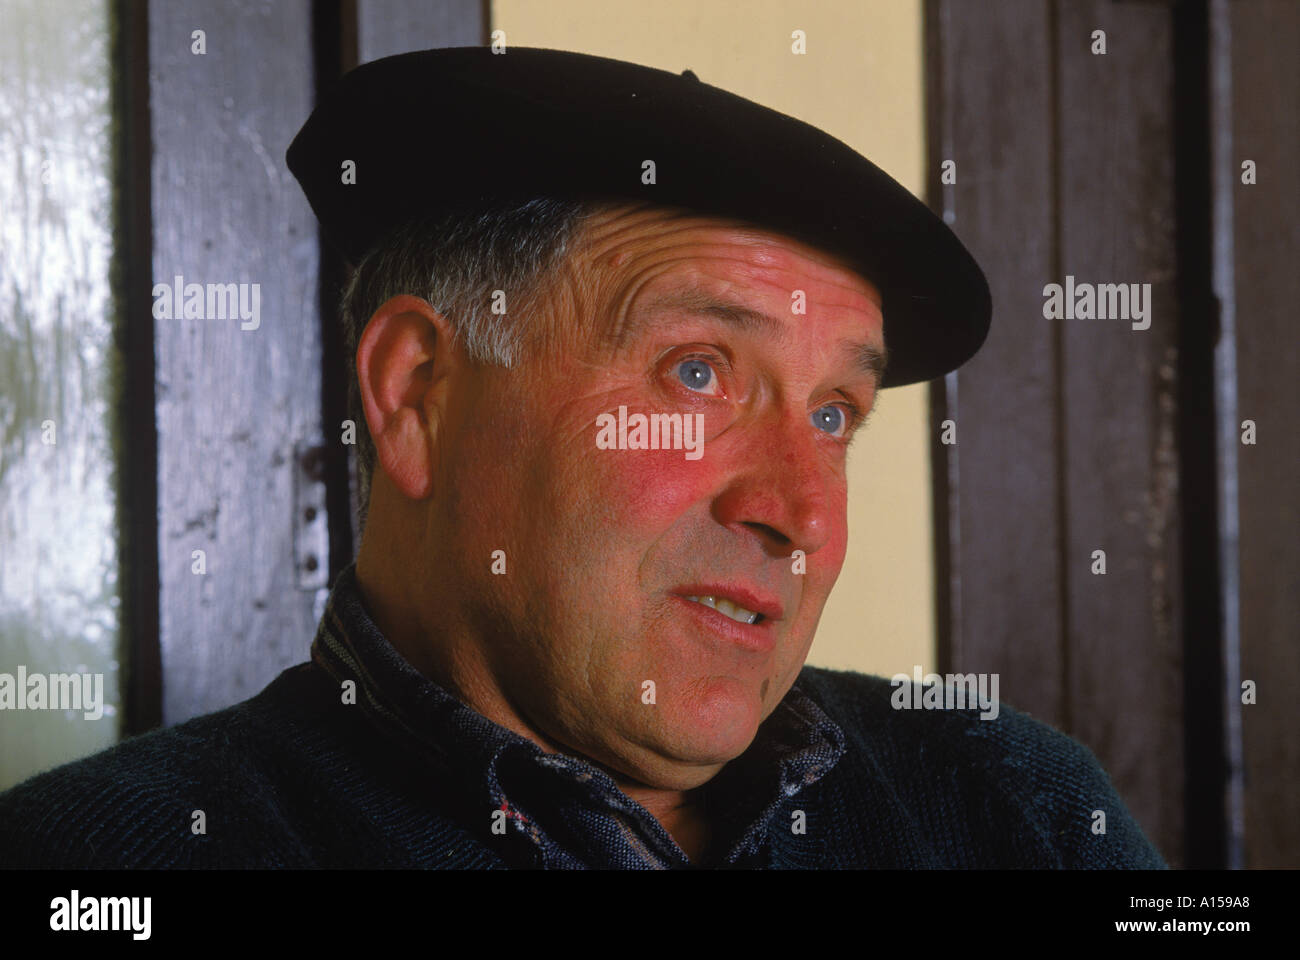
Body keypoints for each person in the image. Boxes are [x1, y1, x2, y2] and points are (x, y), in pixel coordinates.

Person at [0, 47, 1165, 869]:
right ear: (416, 396)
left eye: (832, 416)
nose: (799, 513)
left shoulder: (1015, 808)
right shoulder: (95, 862)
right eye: (698, 372)